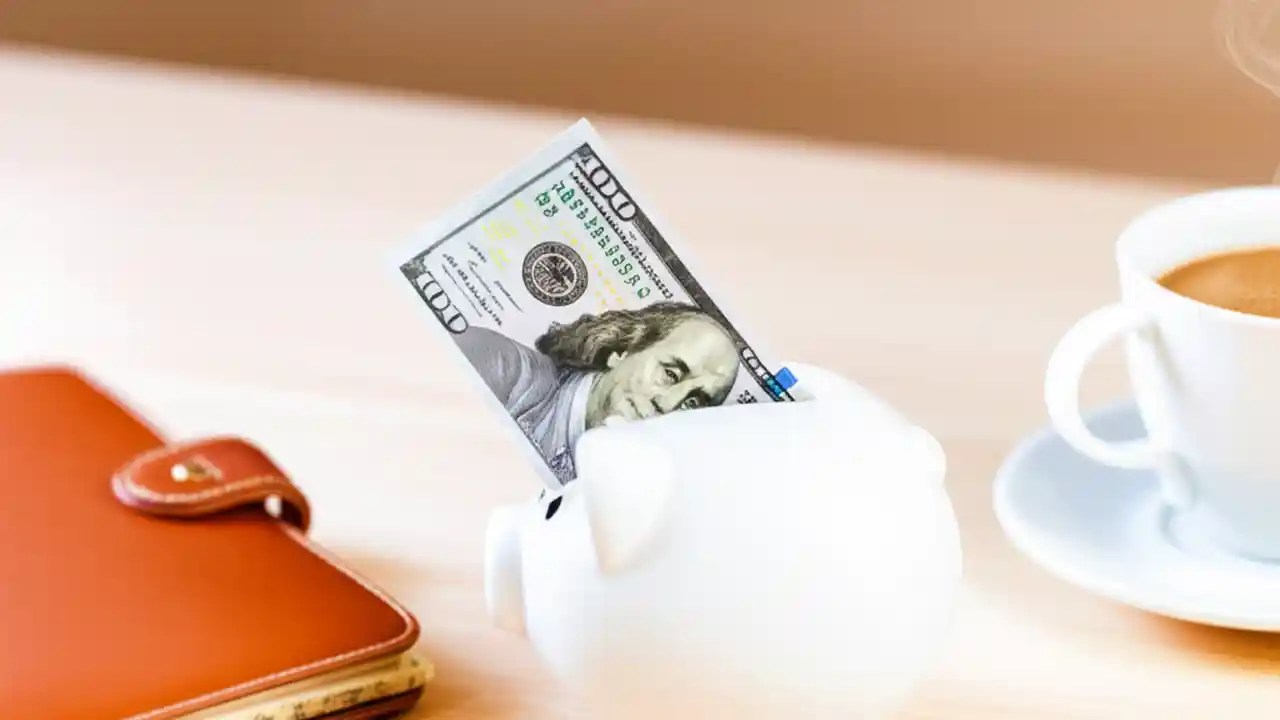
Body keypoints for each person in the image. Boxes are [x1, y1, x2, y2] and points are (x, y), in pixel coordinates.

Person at [456, 302, 740, 483]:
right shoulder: (505, 371)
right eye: (670, 374)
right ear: (623, 349)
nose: (669, 405)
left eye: (694, 403)